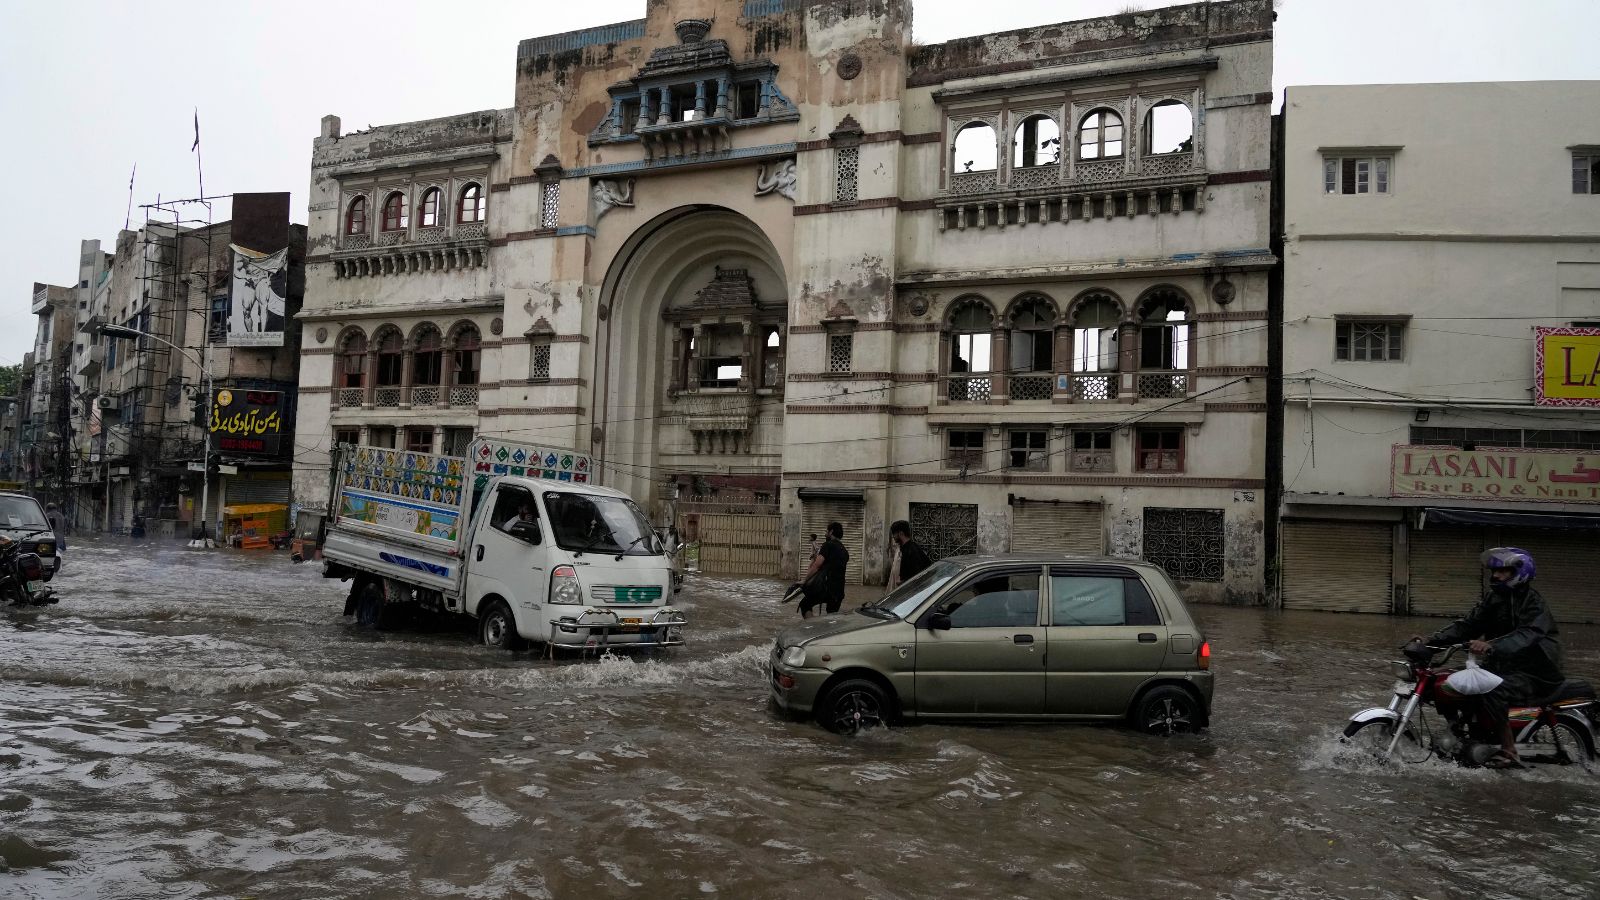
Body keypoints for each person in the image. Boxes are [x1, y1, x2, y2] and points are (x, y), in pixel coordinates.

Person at [1414, 547, 1564, 769]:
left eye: (1503, 571)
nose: (1496, 575)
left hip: (1536, 672)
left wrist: (1491, 645)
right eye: (1494, 571)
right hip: (1502, 666)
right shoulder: (1494, 598)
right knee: (1443, 680)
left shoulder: (1534, 603)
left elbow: (1528, 634)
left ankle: (1509, 750)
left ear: (1520, 573)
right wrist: (1430, 642)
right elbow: (1468, 625)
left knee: (1491, 689)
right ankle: (1461, 731)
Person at [799, 522, 849, 618]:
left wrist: (805, 580)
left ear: (831, 532)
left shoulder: (828, 545)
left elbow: (816, 565)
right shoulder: (844, 550)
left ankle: (812, 626)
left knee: (805, 604)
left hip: (826, 588)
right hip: (839, 591)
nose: (825, 534)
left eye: (826, 531)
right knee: (831, 616)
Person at [886, 520, 931, 592]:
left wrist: (903, 582)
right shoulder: (903, 548)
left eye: (894, 534)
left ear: (901, 533)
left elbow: (917, 574)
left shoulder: (912, 550)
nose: (893, 537)